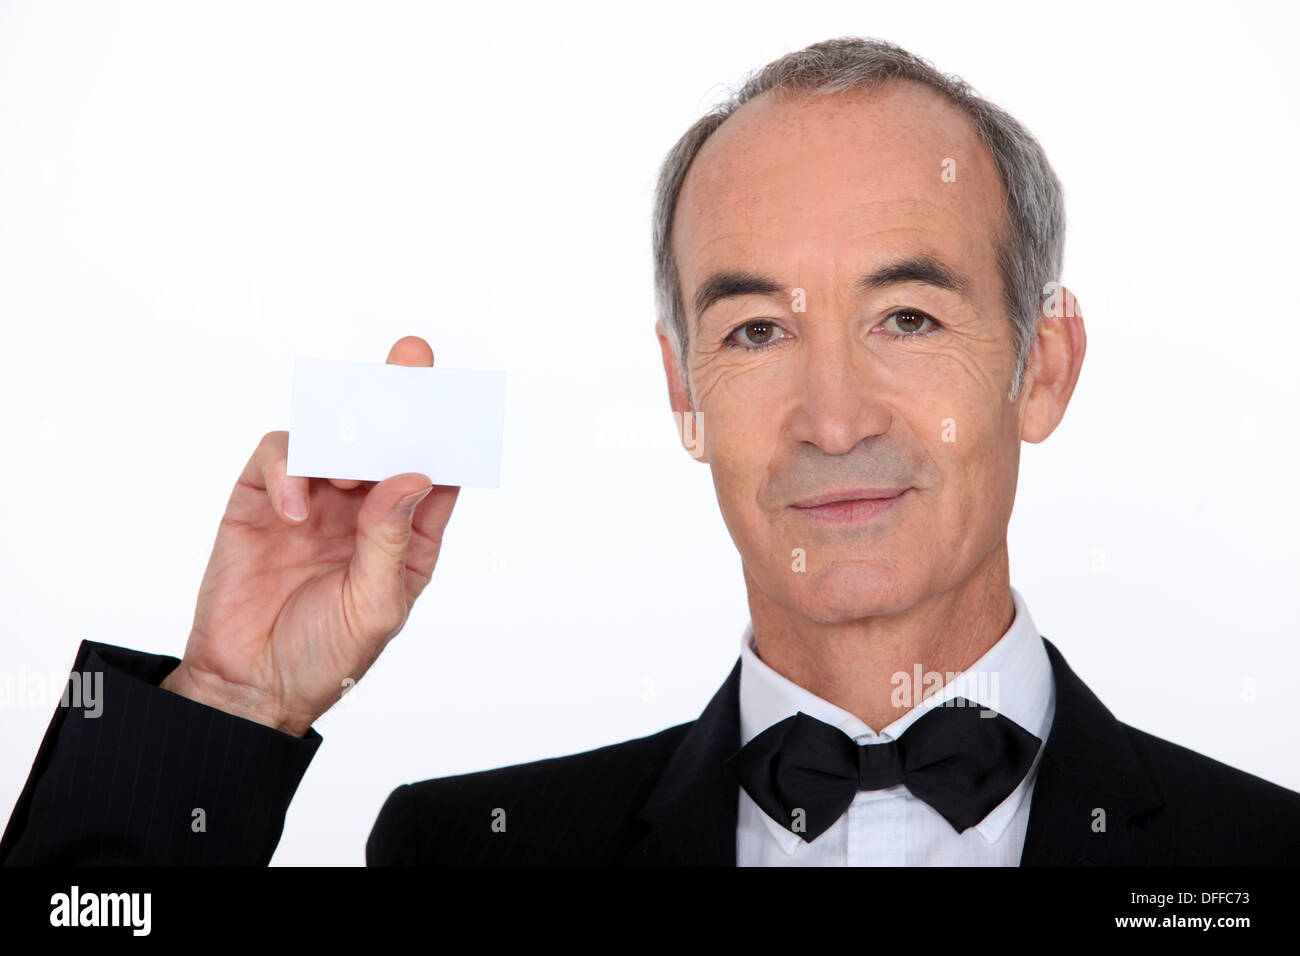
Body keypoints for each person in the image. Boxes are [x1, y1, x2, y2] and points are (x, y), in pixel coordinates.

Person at [4, 36, 1298, 867]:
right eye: (756, 331)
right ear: (685, 392)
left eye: (907, 317)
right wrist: (229, 704)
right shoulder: (467, 856)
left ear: (1044, 366)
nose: (834, 418)